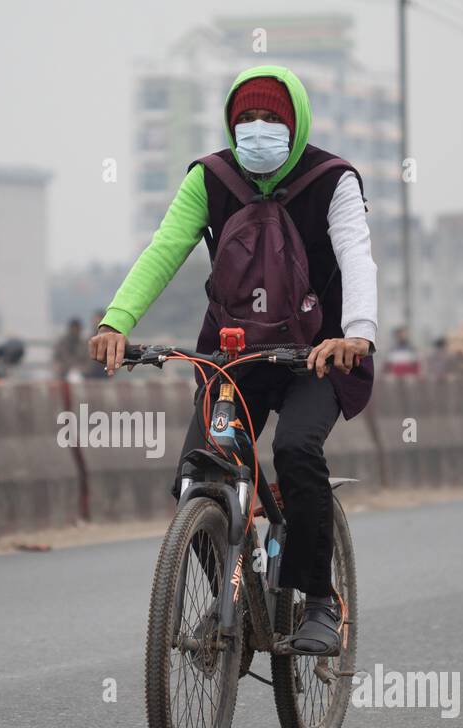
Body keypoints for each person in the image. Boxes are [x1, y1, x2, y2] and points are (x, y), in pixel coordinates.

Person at [89, 66, 377, 657]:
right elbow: (165, 248)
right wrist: (117, 320)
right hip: (237, 356)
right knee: (196, 479)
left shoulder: (332, 178)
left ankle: (319, 603)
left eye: (272, 118)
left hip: (318, 356)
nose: (258, 129)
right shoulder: (211, 177)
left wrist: (358, 334)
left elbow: (357, 257)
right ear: (229, 123)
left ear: (295, 123)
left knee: (296, 450)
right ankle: (233, 607)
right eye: (246, 118)